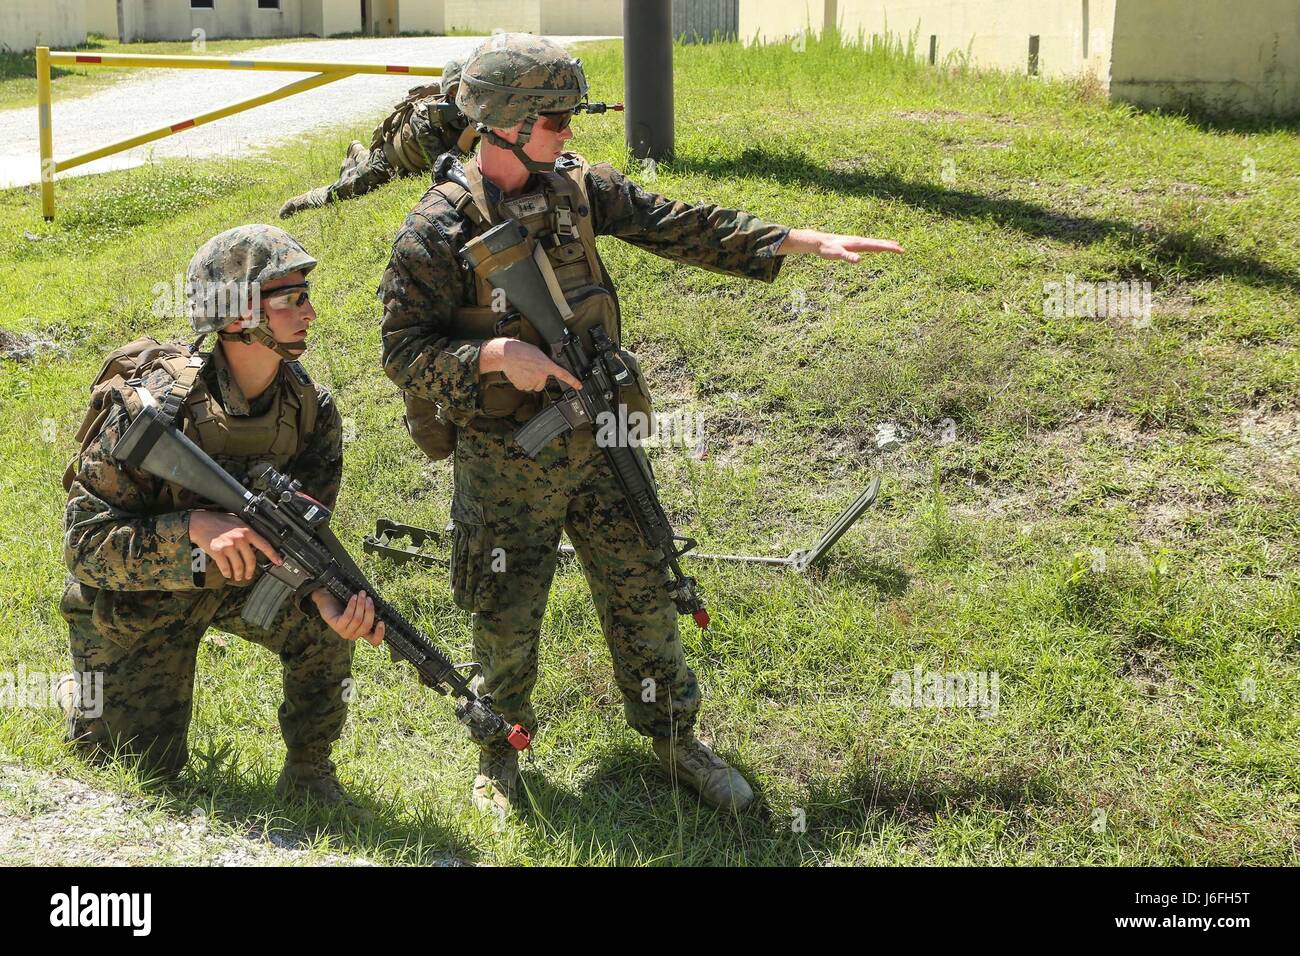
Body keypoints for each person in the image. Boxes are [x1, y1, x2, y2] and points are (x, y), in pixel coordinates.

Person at [377, 34, 904, 816]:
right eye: (555, 119)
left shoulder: (580, 190)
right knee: (506, 604)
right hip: (507, 458)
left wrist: (795, 240)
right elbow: (402, 349)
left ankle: (672, 738)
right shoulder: (437, 228)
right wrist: (490, 357)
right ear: (506, 123)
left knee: (643, 588)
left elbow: (679, 223)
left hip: (601, 436)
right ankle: (499, 754)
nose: (569, 132)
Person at [59, 225, 384, 811]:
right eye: (290, 298)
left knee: (328, 617)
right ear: (236, 319)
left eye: (306, 293)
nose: (310, 310)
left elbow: (304, 539)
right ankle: (79, 693)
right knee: (136, 773)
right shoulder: (151, 411)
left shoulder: (310, 411)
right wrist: (192, 533)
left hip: (241, 580)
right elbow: (83, 544)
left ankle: (309, 775)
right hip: (139, 595)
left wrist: (323, 597)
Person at [278, 57, 479, 219]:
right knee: (344, 190)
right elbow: (441, 168)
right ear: (446, 93)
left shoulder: (471, 112)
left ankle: (357, 153)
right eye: (453, 91)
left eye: (463, 89)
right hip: (387, 162)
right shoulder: (425, 118)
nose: (460, 97)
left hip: (409, 166)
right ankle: (303, 200)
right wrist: (467, 138)